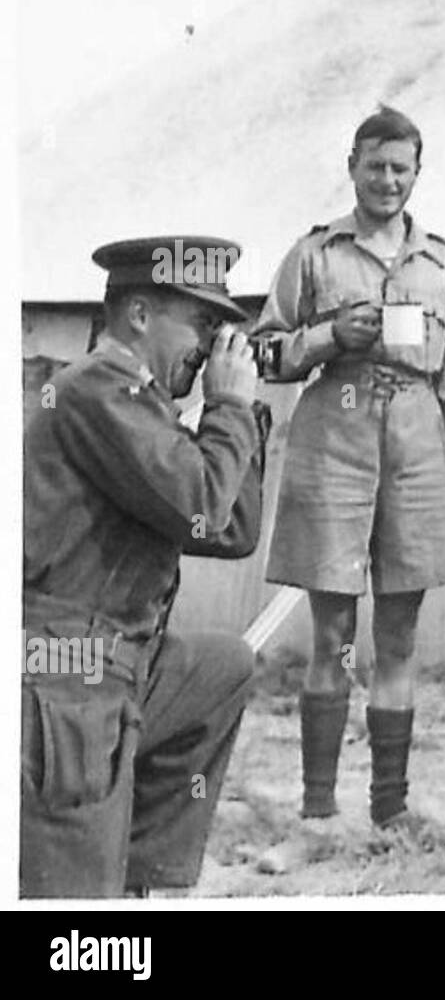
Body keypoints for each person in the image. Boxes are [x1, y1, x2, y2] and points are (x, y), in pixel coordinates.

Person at [253, 106, 445, 830]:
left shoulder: (441, 262)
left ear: (418, 173)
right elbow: (264, 349)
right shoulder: (315, 255)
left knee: (399, 637)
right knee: (331, 635)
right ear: (351, 165)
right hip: (335, 441)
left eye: (401, 168)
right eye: (375, 166)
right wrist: (329, 335)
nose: (387, 180)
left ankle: (389, 809)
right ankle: (319, 807)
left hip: (417, 445)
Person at [22, 236, 266, 897]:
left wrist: (242, 411)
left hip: (121, 662)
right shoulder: (98, 388)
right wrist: (229, 410)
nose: (211, 343)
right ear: (138, 314)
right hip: (62, 672)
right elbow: (202, 502)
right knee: (70, 910)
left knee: (223, 666)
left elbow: (232, 528)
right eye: (203, 323)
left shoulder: (143, 406)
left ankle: (138, 871)